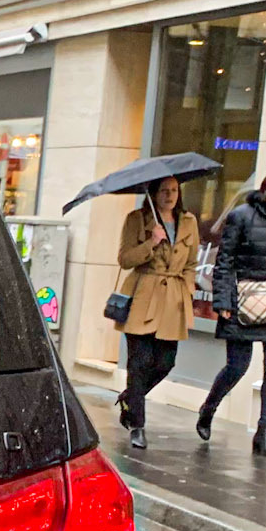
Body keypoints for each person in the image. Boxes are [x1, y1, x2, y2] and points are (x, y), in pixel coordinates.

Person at [198, 164, 266, 458]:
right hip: (243, 299)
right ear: (265, 185)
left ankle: (264, 433)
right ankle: (208, 408)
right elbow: (224, 262)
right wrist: (222, 302)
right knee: (238, 365)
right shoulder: (241, 216)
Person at [112, 175, 199, 450]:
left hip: (173, 300)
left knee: (165, 362)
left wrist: (187, 290)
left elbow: (192, 261)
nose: (169, 195)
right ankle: (137, 425)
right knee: (139, 363)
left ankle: (129, 398)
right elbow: (125, 259)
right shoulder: (136, 219)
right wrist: (151, 242)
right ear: (153, 192)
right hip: (143, 296)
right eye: (164, 190)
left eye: (174, 190)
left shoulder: (189, 221)